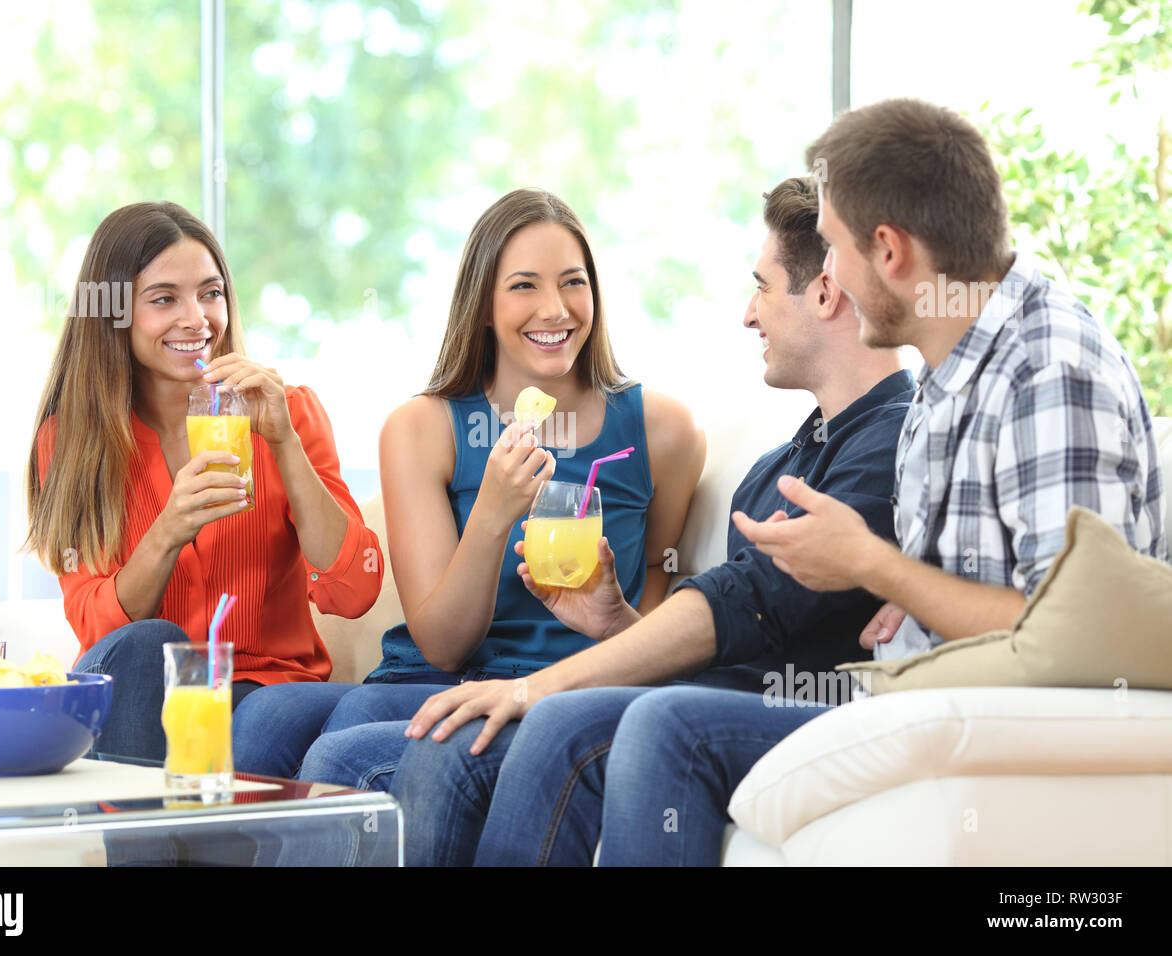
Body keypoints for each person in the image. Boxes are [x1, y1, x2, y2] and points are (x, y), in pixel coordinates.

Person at [509, 97, 1165, 866]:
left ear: (887, 251)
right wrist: (916, 586)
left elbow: (1075, 635)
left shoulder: (1049, 370)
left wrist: (874, 565)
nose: (832, 280)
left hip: (964, 717)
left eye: (833, 247)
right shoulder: (948, 379)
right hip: (902, 698)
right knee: (582, 721)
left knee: (664, 729)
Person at [301, 175, 916, 866]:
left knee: (487, 739)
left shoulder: (893, 441)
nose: (748, 314)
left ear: (827, 294)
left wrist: (535, 684)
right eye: (524, 286)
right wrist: (614, 620)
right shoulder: (785, 459)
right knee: (341, 741)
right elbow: (722, 621)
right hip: (690, 691)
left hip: (775, 708)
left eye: (763, 287)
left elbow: (749, 603)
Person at [234, 188, 705, 780]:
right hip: (437, 675)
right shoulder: (423, 428)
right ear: (483, 306)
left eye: (573, 282)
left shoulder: (664, 433)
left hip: (566, 690)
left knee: (343, 749)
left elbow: (653, 609)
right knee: (265, 718)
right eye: (524, 285)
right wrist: (492, 511)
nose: (556, 308)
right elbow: (442, 647)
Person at [25, 201, 382, 763]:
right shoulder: (71, 441)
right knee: (144, 646)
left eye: (211, 293)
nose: (198, 319)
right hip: (137, 694)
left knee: (262, 721)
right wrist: (167, 533)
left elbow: (354, 589)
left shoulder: (286, 414)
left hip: (263, 690)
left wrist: (285, 443)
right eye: (164, 298)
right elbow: (96, 627)